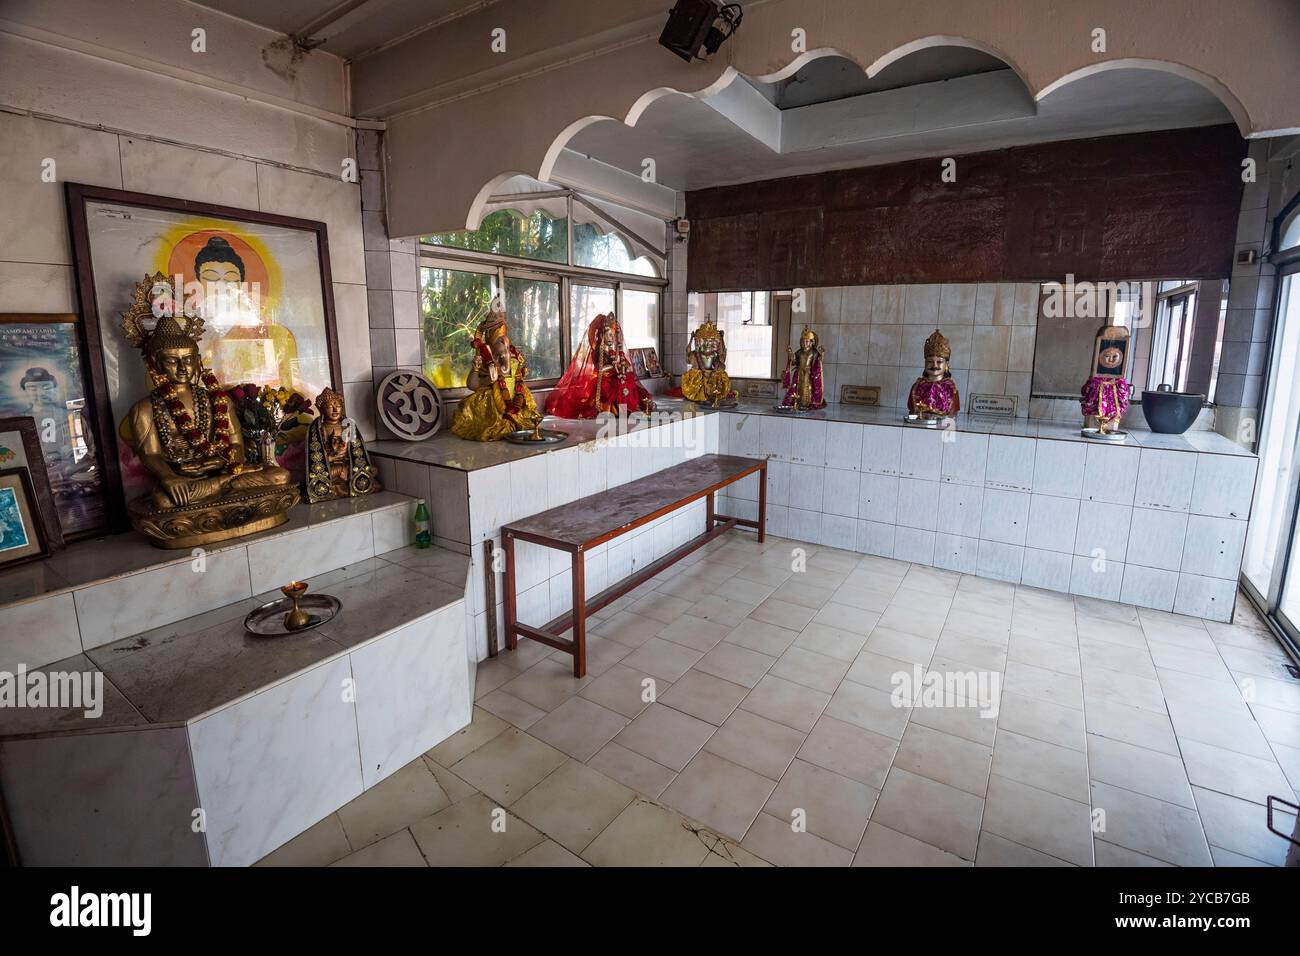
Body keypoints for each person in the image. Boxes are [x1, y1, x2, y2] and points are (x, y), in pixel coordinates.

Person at [450, 309, 543, 441]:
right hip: (492, 403)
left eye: (505, 343)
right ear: (491, 343)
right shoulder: (484, 360)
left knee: (527, 411)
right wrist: (481, 374)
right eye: (500, 342)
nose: (505, 348)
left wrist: (521, 374)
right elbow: (472, 385)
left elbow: (516, 377)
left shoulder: (515, 359)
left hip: (516, 398)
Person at [546, 313, 653, 419]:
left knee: (628, 379)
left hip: (617, 375)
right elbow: (599, 369)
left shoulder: (613, 351)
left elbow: (625, 365)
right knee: (606, 386)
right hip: (603, 376)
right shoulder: (597, 352)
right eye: (610, 334)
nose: (612, 337)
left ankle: (627, 408)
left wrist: (621, 366)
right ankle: (612, 410)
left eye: (613, 334)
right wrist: (613, 366)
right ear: (602, 335)